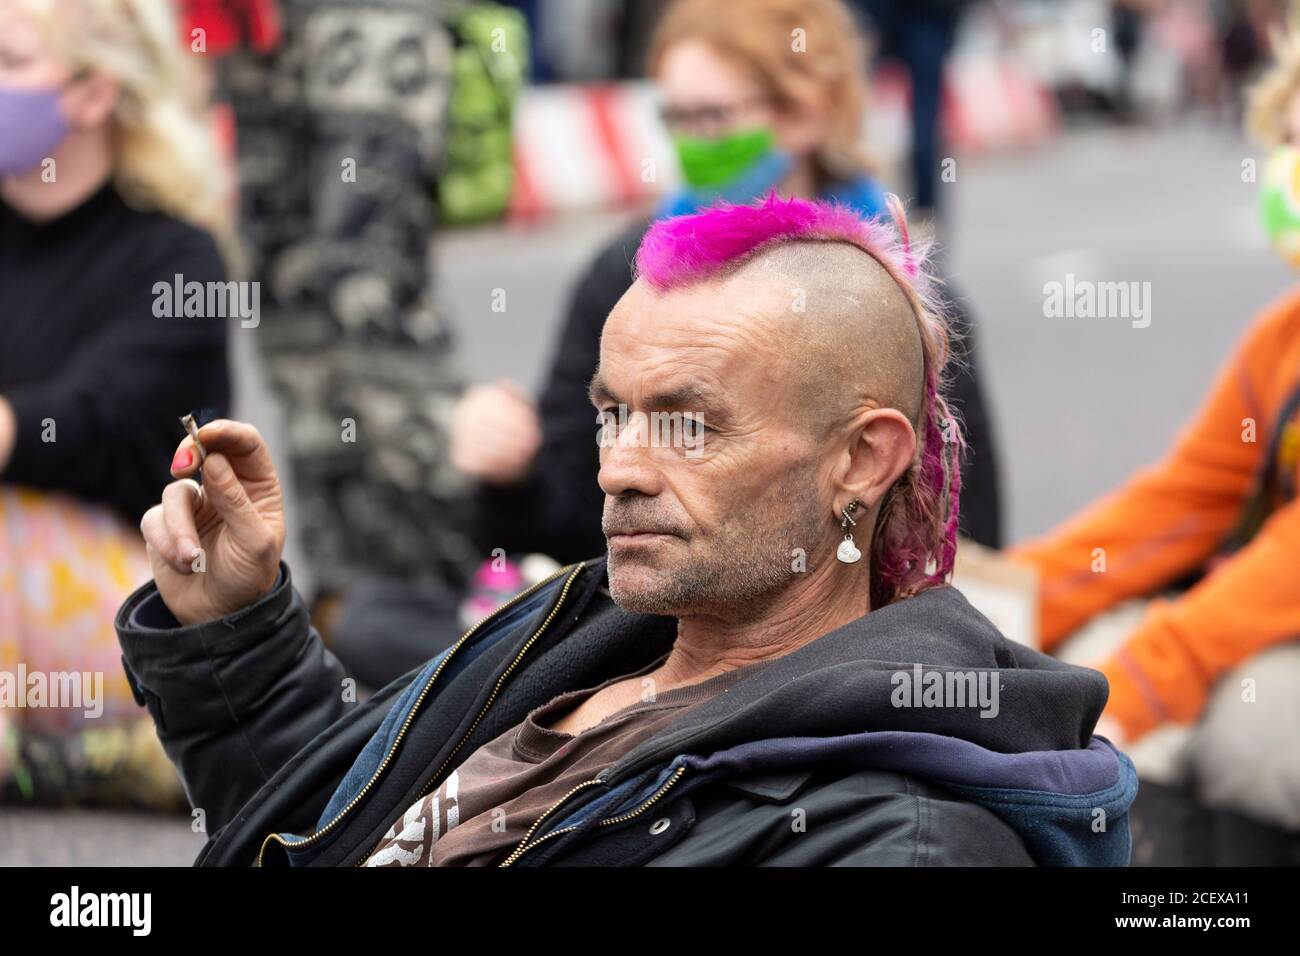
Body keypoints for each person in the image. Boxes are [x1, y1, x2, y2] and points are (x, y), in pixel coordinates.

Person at [118, 195, 1134, 867]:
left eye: (687, 422)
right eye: (613, 414)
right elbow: (332, 832)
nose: (621, 465)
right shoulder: (578, 631)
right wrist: (238, 633)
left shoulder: (894, 836)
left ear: (861, 459)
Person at [453, 0, 1003, 575]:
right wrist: (511, 475)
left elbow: (966, 532)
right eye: (676, 118)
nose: (693, 143)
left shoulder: (903, 300)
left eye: (713, 117)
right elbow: (570, 522)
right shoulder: (625, 276)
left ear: (804, 115)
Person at [1006, 29, 1300, 856]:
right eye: (1290, 144)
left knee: (1260, 744)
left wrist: (1143, 680)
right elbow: (1179, 503)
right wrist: (1002, 607)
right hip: (1262, 612)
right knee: (1072, 661)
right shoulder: (1283, 338)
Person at [0, 0, 230, 807]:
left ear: (95, 93)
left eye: (12, 61)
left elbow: (107, 421)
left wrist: (11, 429)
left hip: (131, 583)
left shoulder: (181, 261)